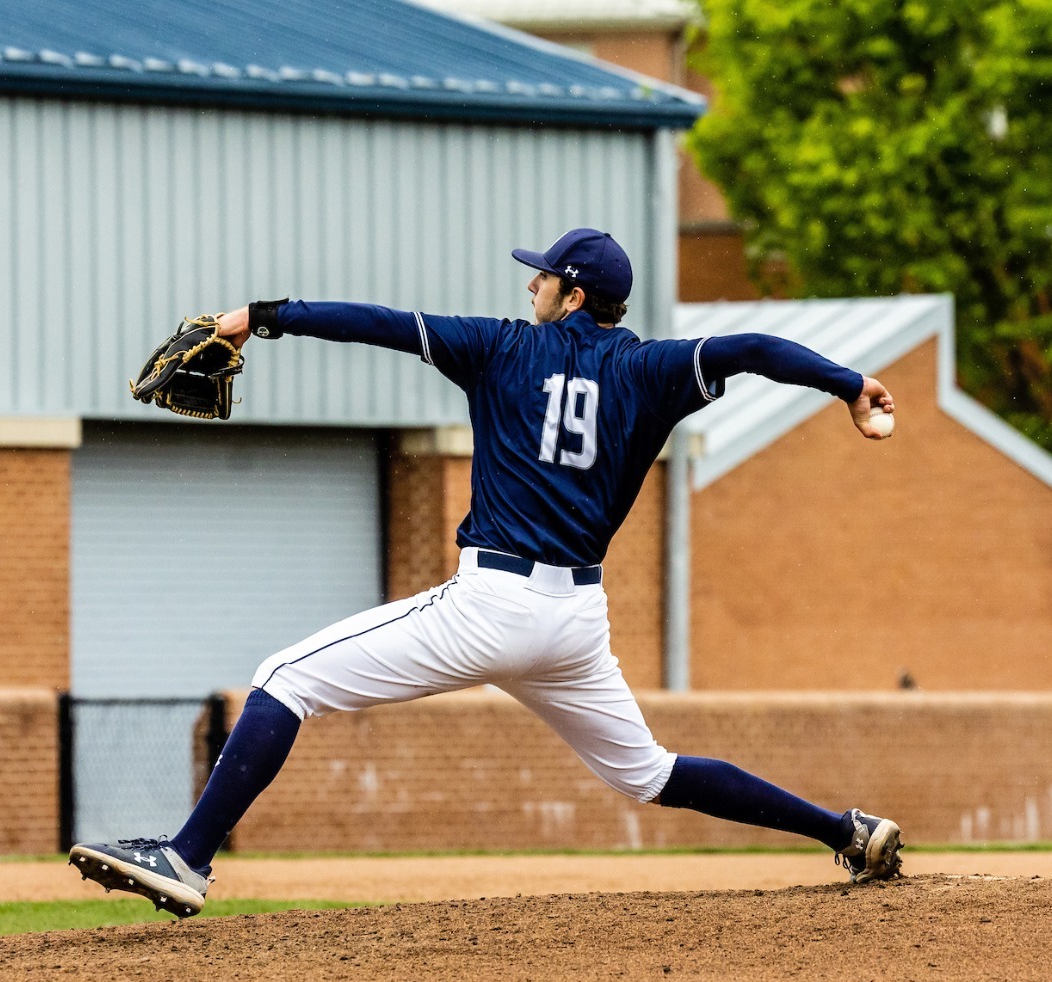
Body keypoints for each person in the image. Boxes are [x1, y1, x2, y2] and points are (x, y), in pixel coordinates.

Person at [69, 227, 906, 917]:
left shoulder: (500, 348)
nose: (530, 288)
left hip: (490, 605)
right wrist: (846, 385)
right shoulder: (650, 370)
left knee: (283, 677)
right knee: (649, 772)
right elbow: (754, 346)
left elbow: (381, 323)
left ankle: (186, 858)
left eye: (541, 277)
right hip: (575, 624)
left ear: (572, 294)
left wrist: (260, 316)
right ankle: (845, 828)